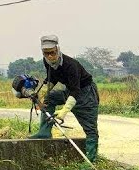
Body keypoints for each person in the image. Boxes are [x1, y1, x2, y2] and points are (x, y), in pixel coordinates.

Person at [30, 34, 100, 162]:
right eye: (46, 53)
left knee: (90, 130)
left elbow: (75, 90)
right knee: (50, 98)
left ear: (58, 49)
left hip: (86, 93)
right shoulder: (47, 62)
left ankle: (91, 162)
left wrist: (64, 111)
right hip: (69, 90)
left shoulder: (71, 65)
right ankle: (44, 131)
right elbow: (53, 78)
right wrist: (43, 94)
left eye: (52, 53)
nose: (50, 56)